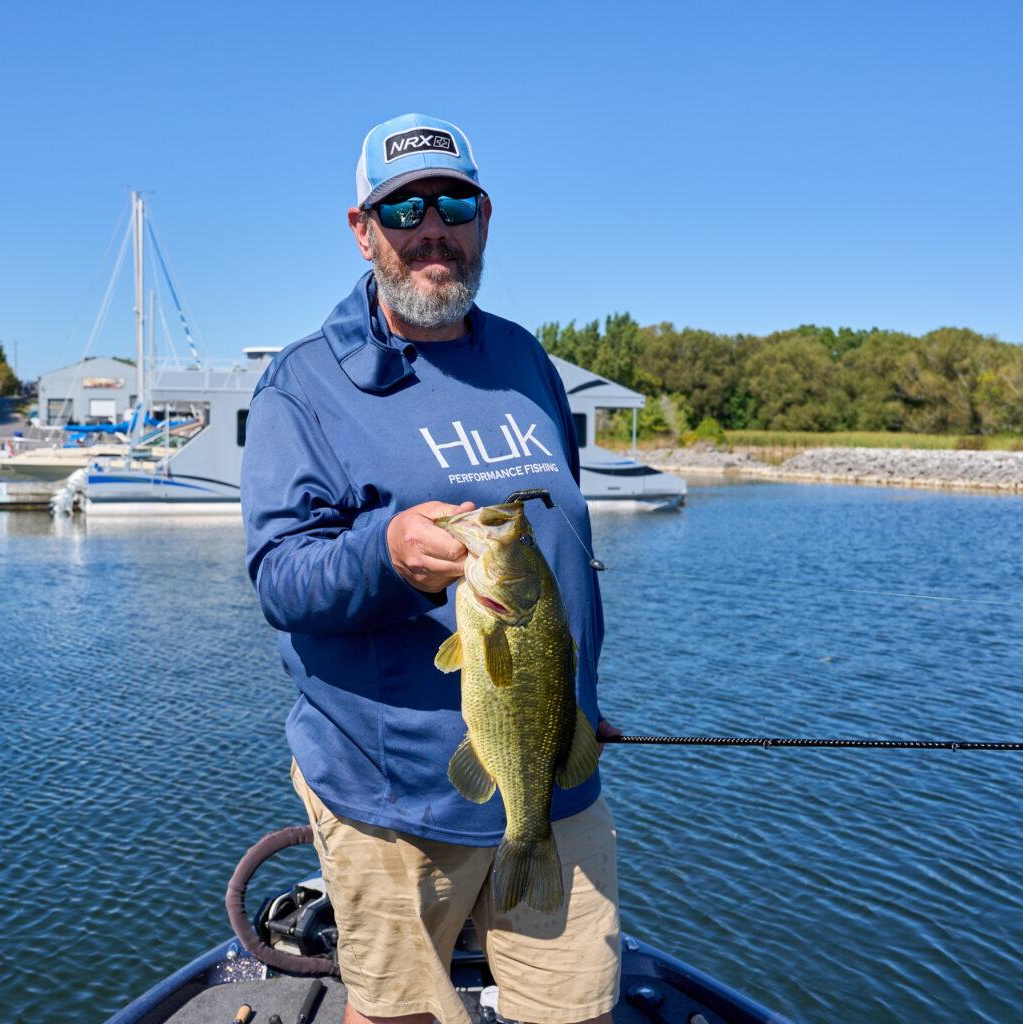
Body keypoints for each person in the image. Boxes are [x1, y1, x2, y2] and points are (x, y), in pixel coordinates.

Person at [240, 113, 619, 1024]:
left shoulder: (525, 358)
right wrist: (385, 554)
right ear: (362, 229)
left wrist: (579, 707)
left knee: (577, 1010)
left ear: (484, 216)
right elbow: (280, 578)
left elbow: (563, 543)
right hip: (390, 800)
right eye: (404, 209)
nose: (432, 228)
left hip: (554, 777)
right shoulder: (305, 387)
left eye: (455, 202)